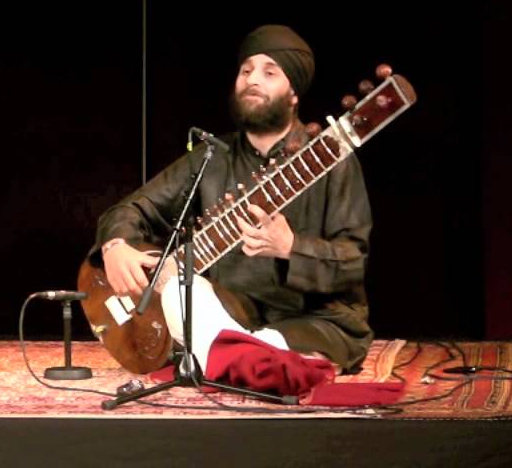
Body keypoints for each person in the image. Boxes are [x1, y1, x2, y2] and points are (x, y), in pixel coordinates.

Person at [94, 25, 373, 373]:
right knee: (182, 292)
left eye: (270, 73)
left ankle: (234, 355)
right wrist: (115, 245)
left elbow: (352, 263)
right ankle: (237, 357)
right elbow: (132, 208)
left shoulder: (331, 162)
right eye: (246, 70)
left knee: (277, 347)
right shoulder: (213, 157)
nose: (252, 79)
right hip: (230, 311)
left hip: (312, 320)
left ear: (294, 94)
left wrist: (291, 247)